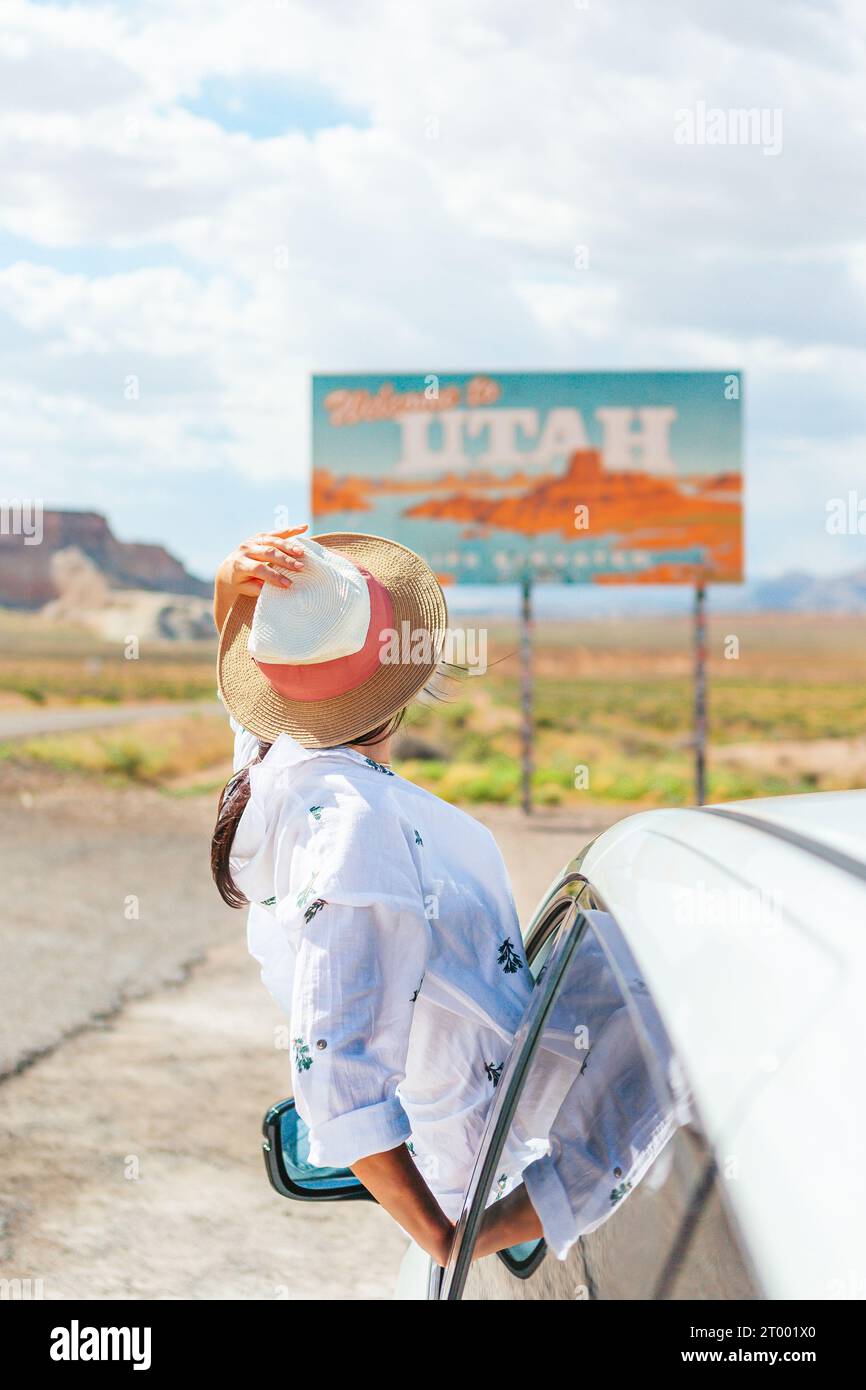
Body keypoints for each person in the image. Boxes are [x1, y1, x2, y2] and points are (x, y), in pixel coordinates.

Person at [211, 525, 547, 1265]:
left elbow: (252, 715)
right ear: (405, 667)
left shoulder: (279, 772)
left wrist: (232, 595)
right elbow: (338, 1080)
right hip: (495, 1184)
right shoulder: (359, 832)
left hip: (499, 1174)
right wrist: (453, 1243)